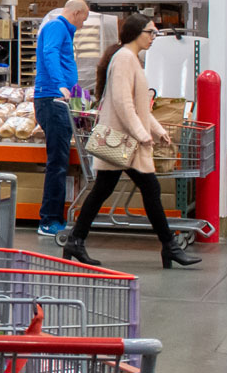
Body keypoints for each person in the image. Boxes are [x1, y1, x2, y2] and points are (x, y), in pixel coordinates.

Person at [63, 14, 201, 269]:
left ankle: (76, 241)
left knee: (105, 190)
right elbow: (123, 103)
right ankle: (169, 247)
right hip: (124, 141)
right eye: (151, 32)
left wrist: (156, 130)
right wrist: (142, 133)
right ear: (137, 33)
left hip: (122, 142)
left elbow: (139, 106)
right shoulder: (125, 59)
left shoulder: (129, 59)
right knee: (149, 189)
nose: (153, 37)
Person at [33, 0, 89, 237]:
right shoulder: (56, 27)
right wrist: (61, 86)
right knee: (57, 162)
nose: (83, 25)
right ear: (76, 13)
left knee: (60, 160)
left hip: (59, 99)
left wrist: (77, 97)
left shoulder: (63, 30)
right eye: (83, 19)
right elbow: (50, 53)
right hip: (53, 100)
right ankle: (49, 220)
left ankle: (54, 217)